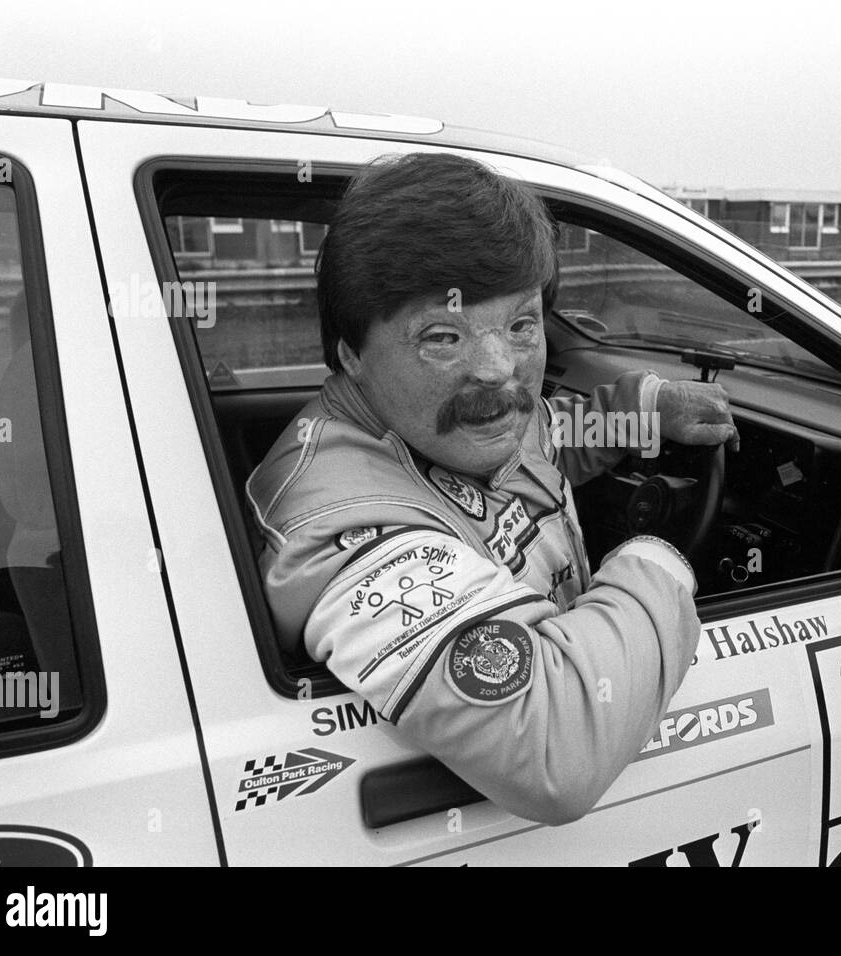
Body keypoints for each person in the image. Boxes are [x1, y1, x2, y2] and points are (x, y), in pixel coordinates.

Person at [247, 152, 738, 825]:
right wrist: (655, 561)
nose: (500, 369)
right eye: (443, 337)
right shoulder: (342, 528)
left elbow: (542, 439)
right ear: (350, 352)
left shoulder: (445, 421)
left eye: (521, 324)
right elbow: (555, 749)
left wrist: (647, 408)